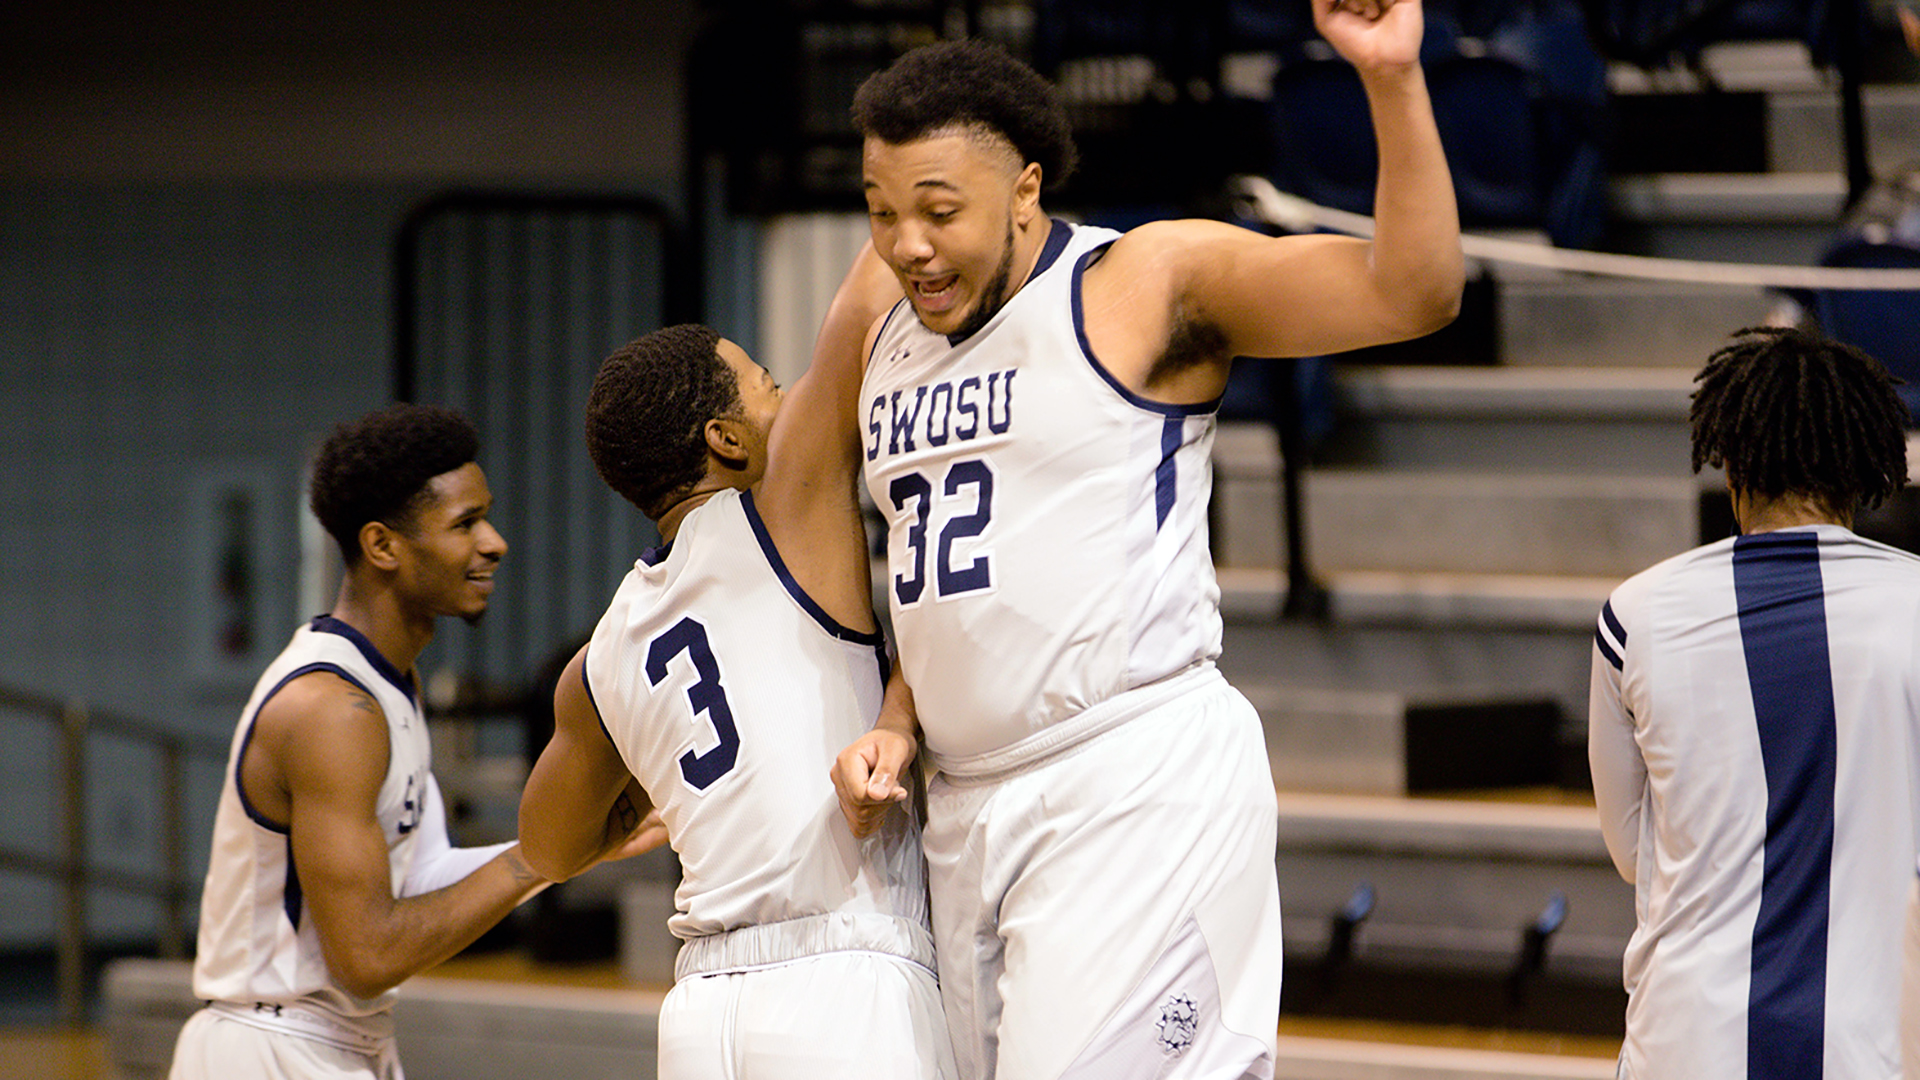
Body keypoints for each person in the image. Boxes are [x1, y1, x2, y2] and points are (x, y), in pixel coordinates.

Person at [829, 4, 1463, 1076]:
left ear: (1025, 189)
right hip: (964, 808)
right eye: (881, 212)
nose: (908, 246)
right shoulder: (887, 327)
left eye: (938, 211)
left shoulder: (1143, 283)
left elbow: (1413, 292)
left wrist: (1393, 78)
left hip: (1129, 784)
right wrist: (898, 715)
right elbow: (952, 580)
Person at [516, 272, 955, 1077]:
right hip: (841, 983)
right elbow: (865, 294)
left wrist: (637, 803)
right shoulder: (787, 510)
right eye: (768, 385)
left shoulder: (597, 660)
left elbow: (547, 848)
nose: (786, 399)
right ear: (726, 439)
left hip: (700, 1013)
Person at [170, 403, 659, 1080]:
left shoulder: (388, 681)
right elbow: (368, 957)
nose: (495, 542)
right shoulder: (332, 711)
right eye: (465, 523)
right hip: (270, 1045)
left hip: (331, 1037)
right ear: (382, 546)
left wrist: (570, 848)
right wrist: (541, 856)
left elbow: (420, 881)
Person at [1588, 326, 1920, 1080]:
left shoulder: (1634, 614)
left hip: (1684, 1045)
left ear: (1732, 463)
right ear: (1866, 467)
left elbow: (1633, 850)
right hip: (1869, 1050)